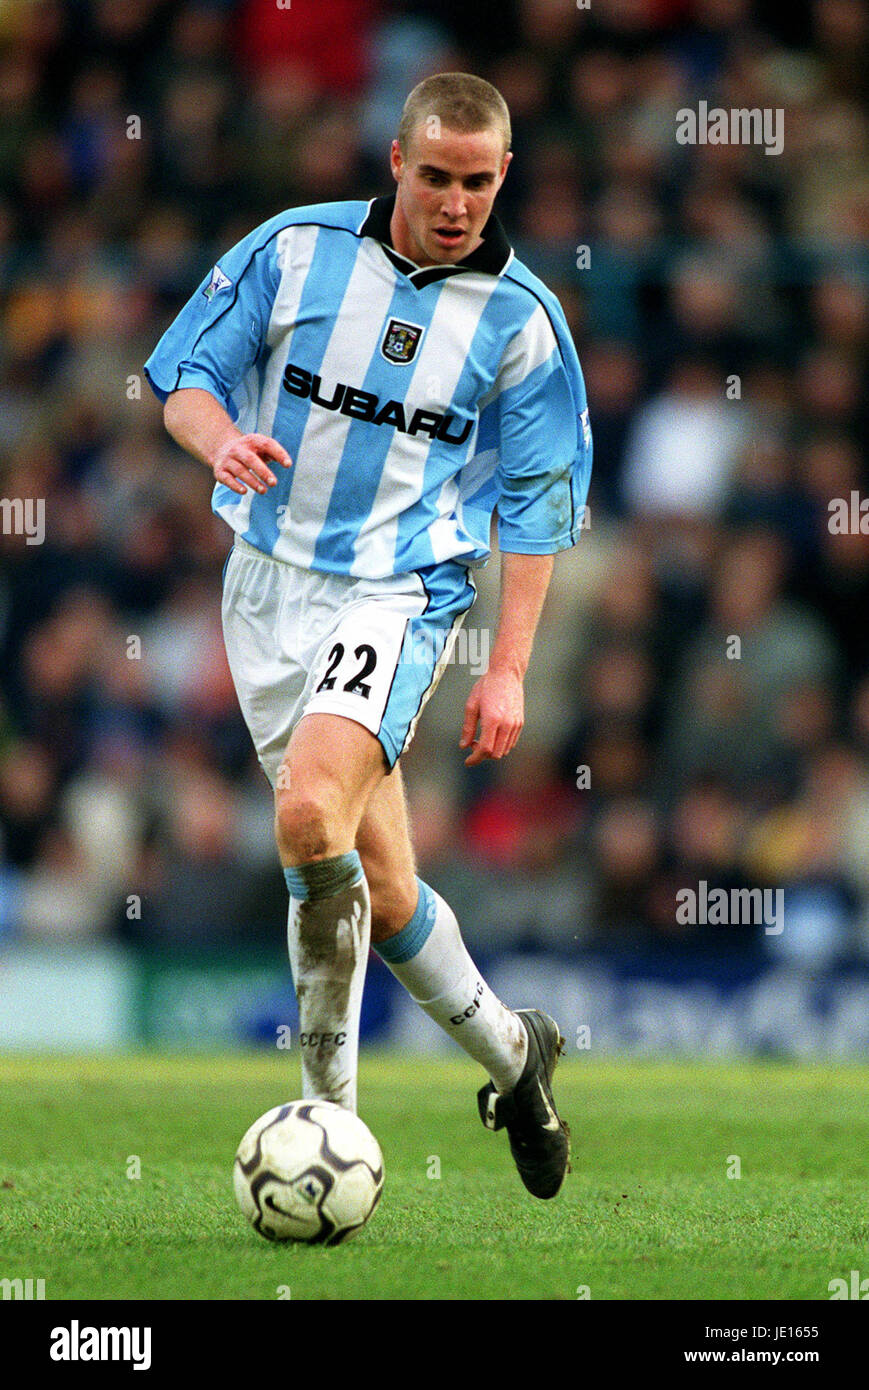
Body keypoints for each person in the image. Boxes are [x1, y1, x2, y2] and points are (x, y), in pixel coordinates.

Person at [145, 72, 592, 1200]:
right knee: (379, 890)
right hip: (264, 589)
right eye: (435, 176)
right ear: (395, 163)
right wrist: (218, 444)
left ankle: (326, 1127)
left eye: (477, 182)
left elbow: (536, 506)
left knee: (304, 814)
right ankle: (514, 1055)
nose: (454, 201)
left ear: (501, 180)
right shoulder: (294, 249)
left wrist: (505, 668)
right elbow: (184, 379)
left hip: (399, 595)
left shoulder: (522, 322)